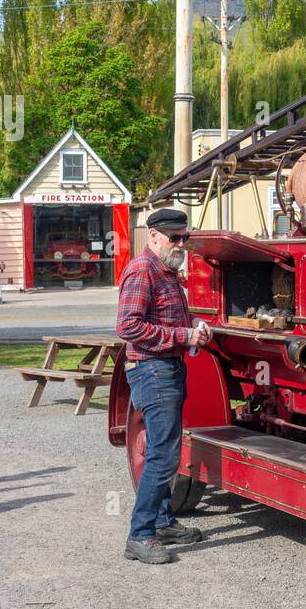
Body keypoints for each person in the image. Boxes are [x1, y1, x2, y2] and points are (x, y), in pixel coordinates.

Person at [116, 208, 212, 565]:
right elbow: (127, 326)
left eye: (184, 237)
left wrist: (196, 325)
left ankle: (163, 521)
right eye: (175, 237)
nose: (181, 243)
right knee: (163, 455)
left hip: (165, 368)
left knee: (164, 449)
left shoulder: (166, 271)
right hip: (152, 370)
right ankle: (139, 536)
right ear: (153, 236)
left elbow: (171, 316)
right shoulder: (143, 270)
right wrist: (183, 335)